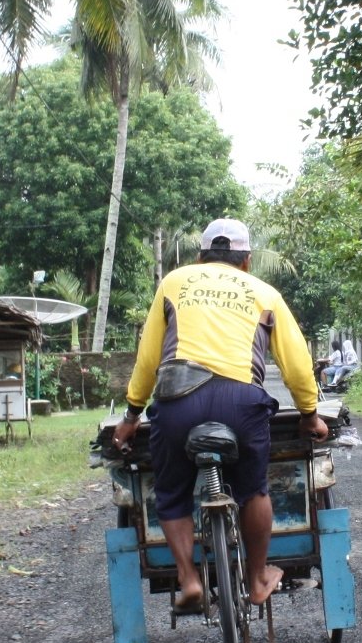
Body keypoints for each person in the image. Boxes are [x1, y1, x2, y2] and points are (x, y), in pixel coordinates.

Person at [111, 217, 327, 613]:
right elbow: (296, 364)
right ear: (246, 261)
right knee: (253, 490)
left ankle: (189, 579)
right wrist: (310, 414)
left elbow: (148, 360)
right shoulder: (264, 292)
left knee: (171, 491)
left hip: (178, 401)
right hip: (241, 403)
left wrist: (130, 415)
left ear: (200, 257)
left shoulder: (174, 283)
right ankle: (258, 577)